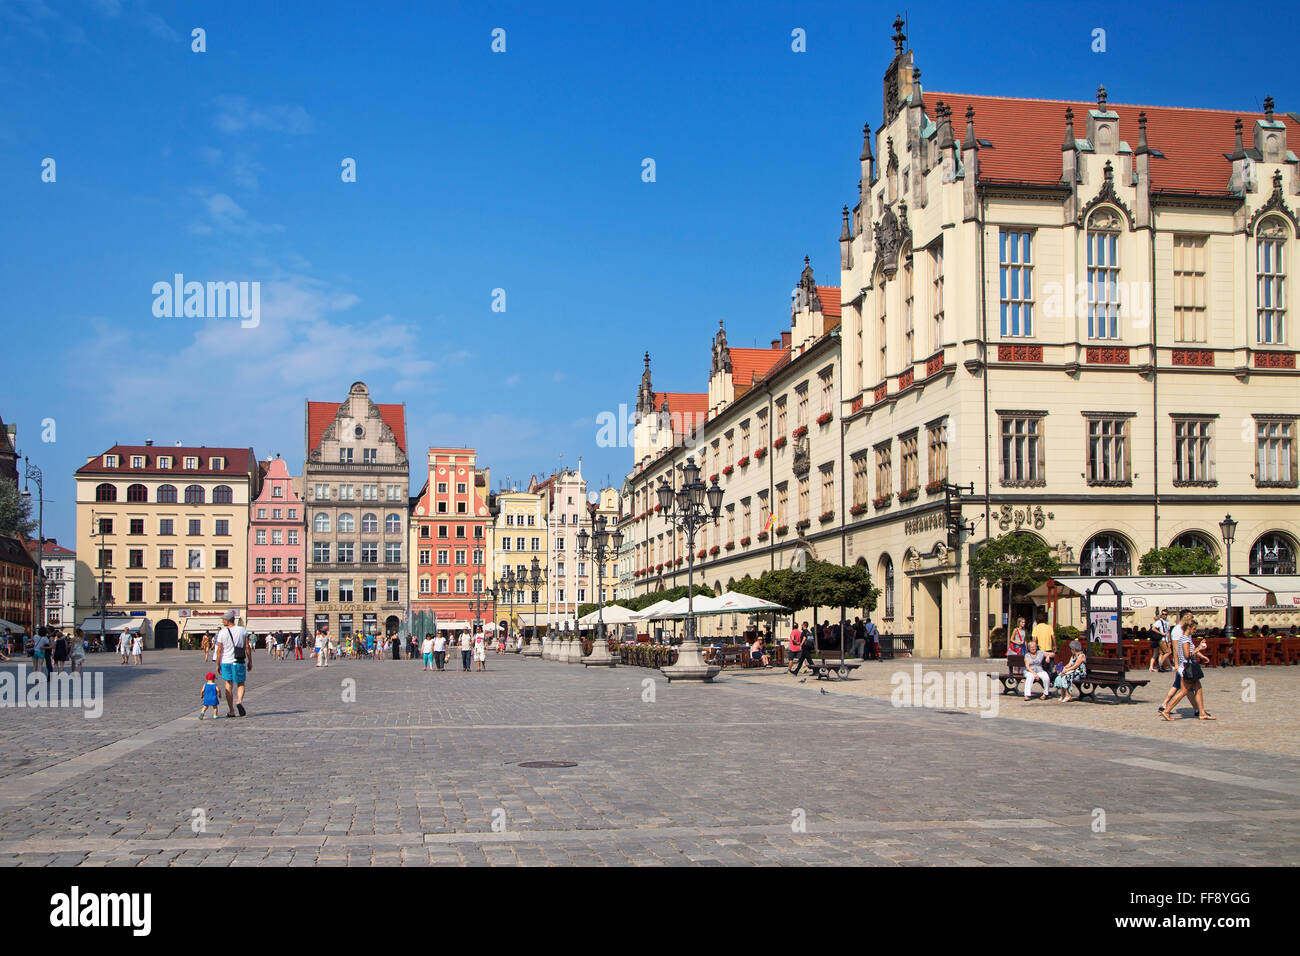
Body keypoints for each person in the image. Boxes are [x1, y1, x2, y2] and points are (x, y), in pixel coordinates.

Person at [1161, 620, 1215, 721]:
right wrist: (1199, 648)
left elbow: (1190, 651)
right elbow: (1187, 655)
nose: (1195, 631)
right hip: (1186, 667)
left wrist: (1202, 655)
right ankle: (1167, 711)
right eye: (1194, 629)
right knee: (1183, 691)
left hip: (1186, 667)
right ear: (1189, 628)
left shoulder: (1185, 639)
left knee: (1198, 688)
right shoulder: (1185, 639)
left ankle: (1202, 713)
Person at [210, 610, 252, 717]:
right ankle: (239, 701)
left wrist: (217, 664)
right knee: (241, 683)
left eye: (223, 619)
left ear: (228, 620)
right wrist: (250, 661)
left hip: (226, 662)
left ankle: (231, 710)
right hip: (239, 661)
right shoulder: (242, 630)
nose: (222, 621)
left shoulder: (221, 633)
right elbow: (247, 647)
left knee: (228, 685)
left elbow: (219, 650)